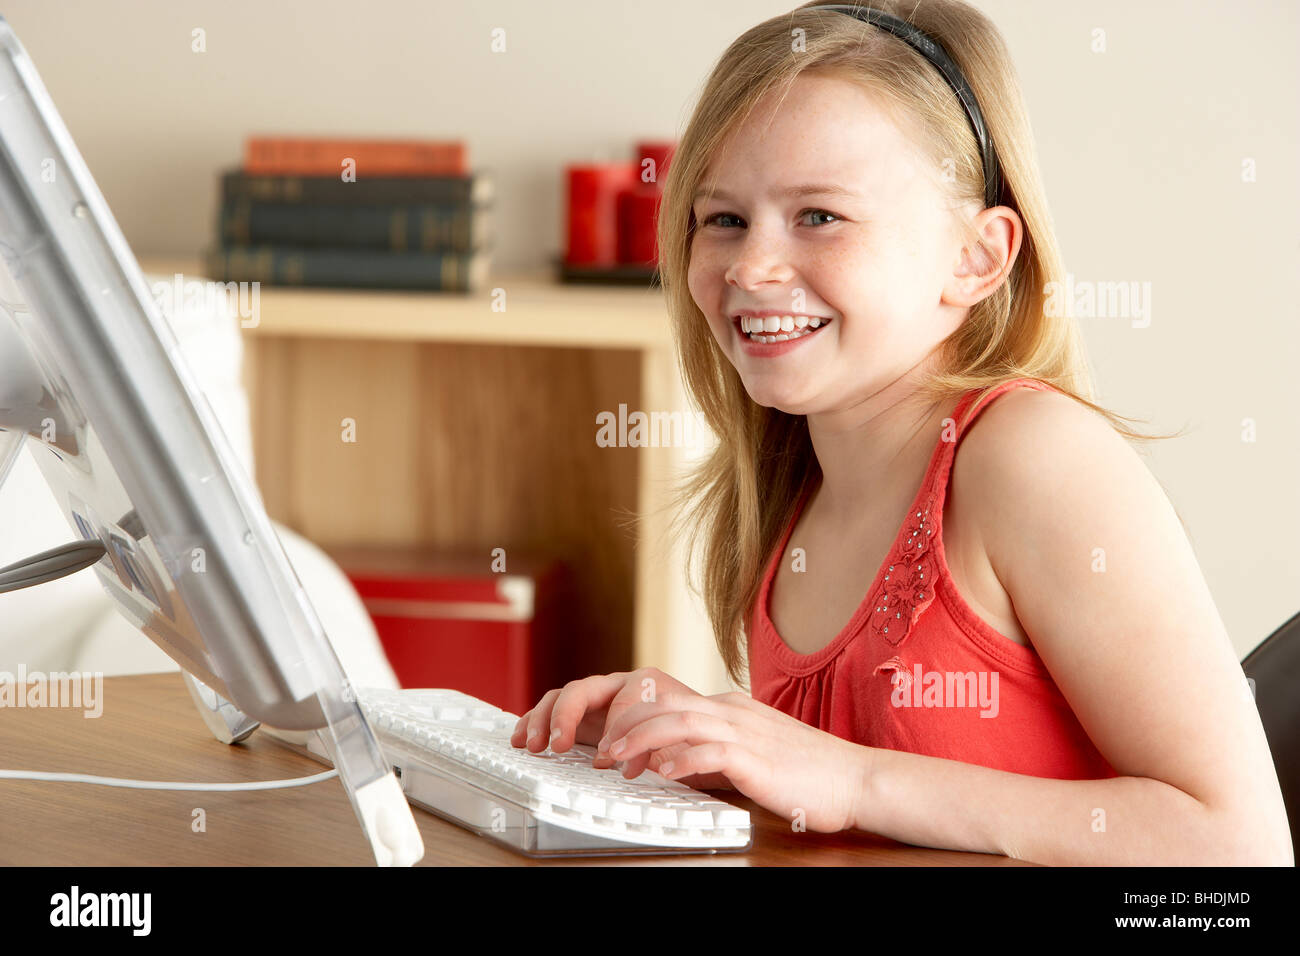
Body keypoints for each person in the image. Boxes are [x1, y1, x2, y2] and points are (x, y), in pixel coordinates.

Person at [509, 0, 1292, 865]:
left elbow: (1241, 850)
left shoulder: (1031, 457)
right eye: (722, 219)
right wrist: (710, 751)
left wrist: (850, 779)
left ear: (977, 259)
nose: (749, 267)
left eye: (820, 217)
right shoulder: (793, 484)